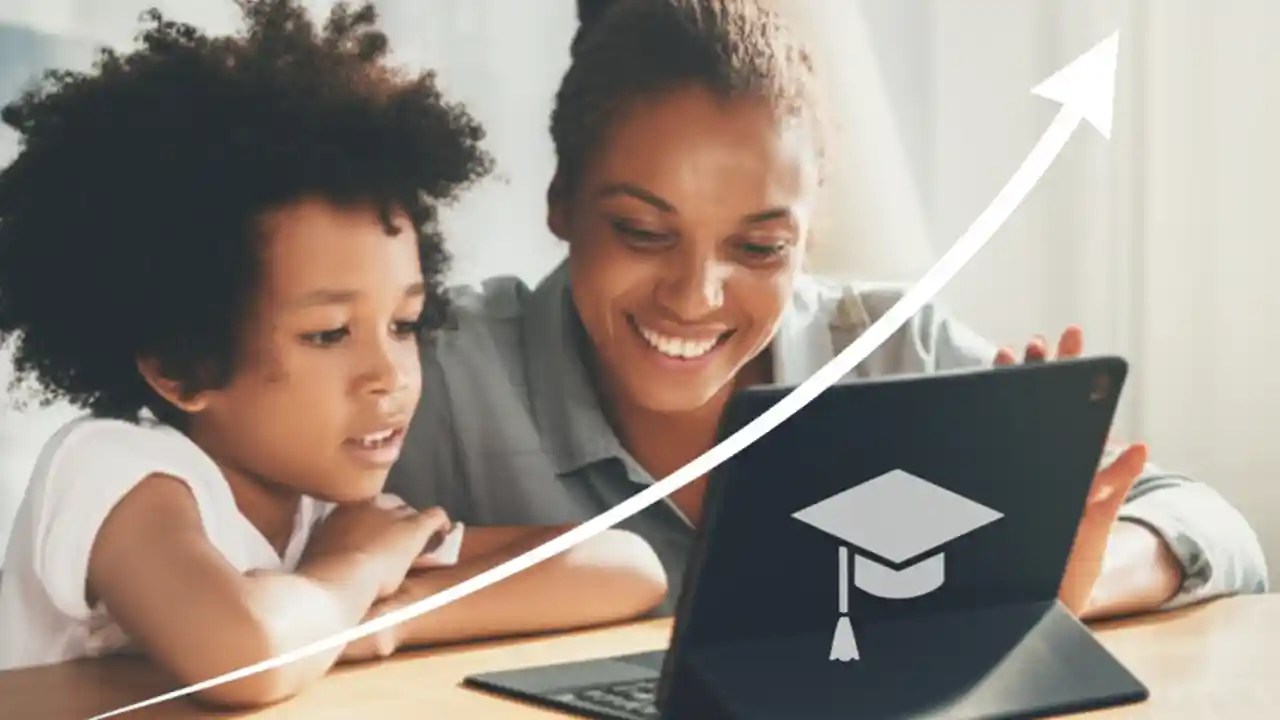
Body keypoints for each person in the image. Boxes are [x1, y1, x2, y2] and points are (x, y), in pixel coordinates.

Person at [382, 0, 1268, 633]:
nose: (695, 296)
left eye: (760, 248)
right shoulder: (437, 370)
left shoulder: (886, 348)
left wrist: (1051, 581)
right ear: (562, 200)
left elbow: (1218, 531)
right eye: (643, 231)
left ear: (809, 232)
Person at [0, 0, 666, 706]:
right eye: (327, 334)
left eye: (405, 324)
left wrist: (385, 618)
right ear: (181, 363)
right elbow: (247, 654)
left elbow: (625, 567)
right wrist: (352, 568)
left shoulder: (320, 507)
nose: (389, 377)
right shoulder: (120, 475)